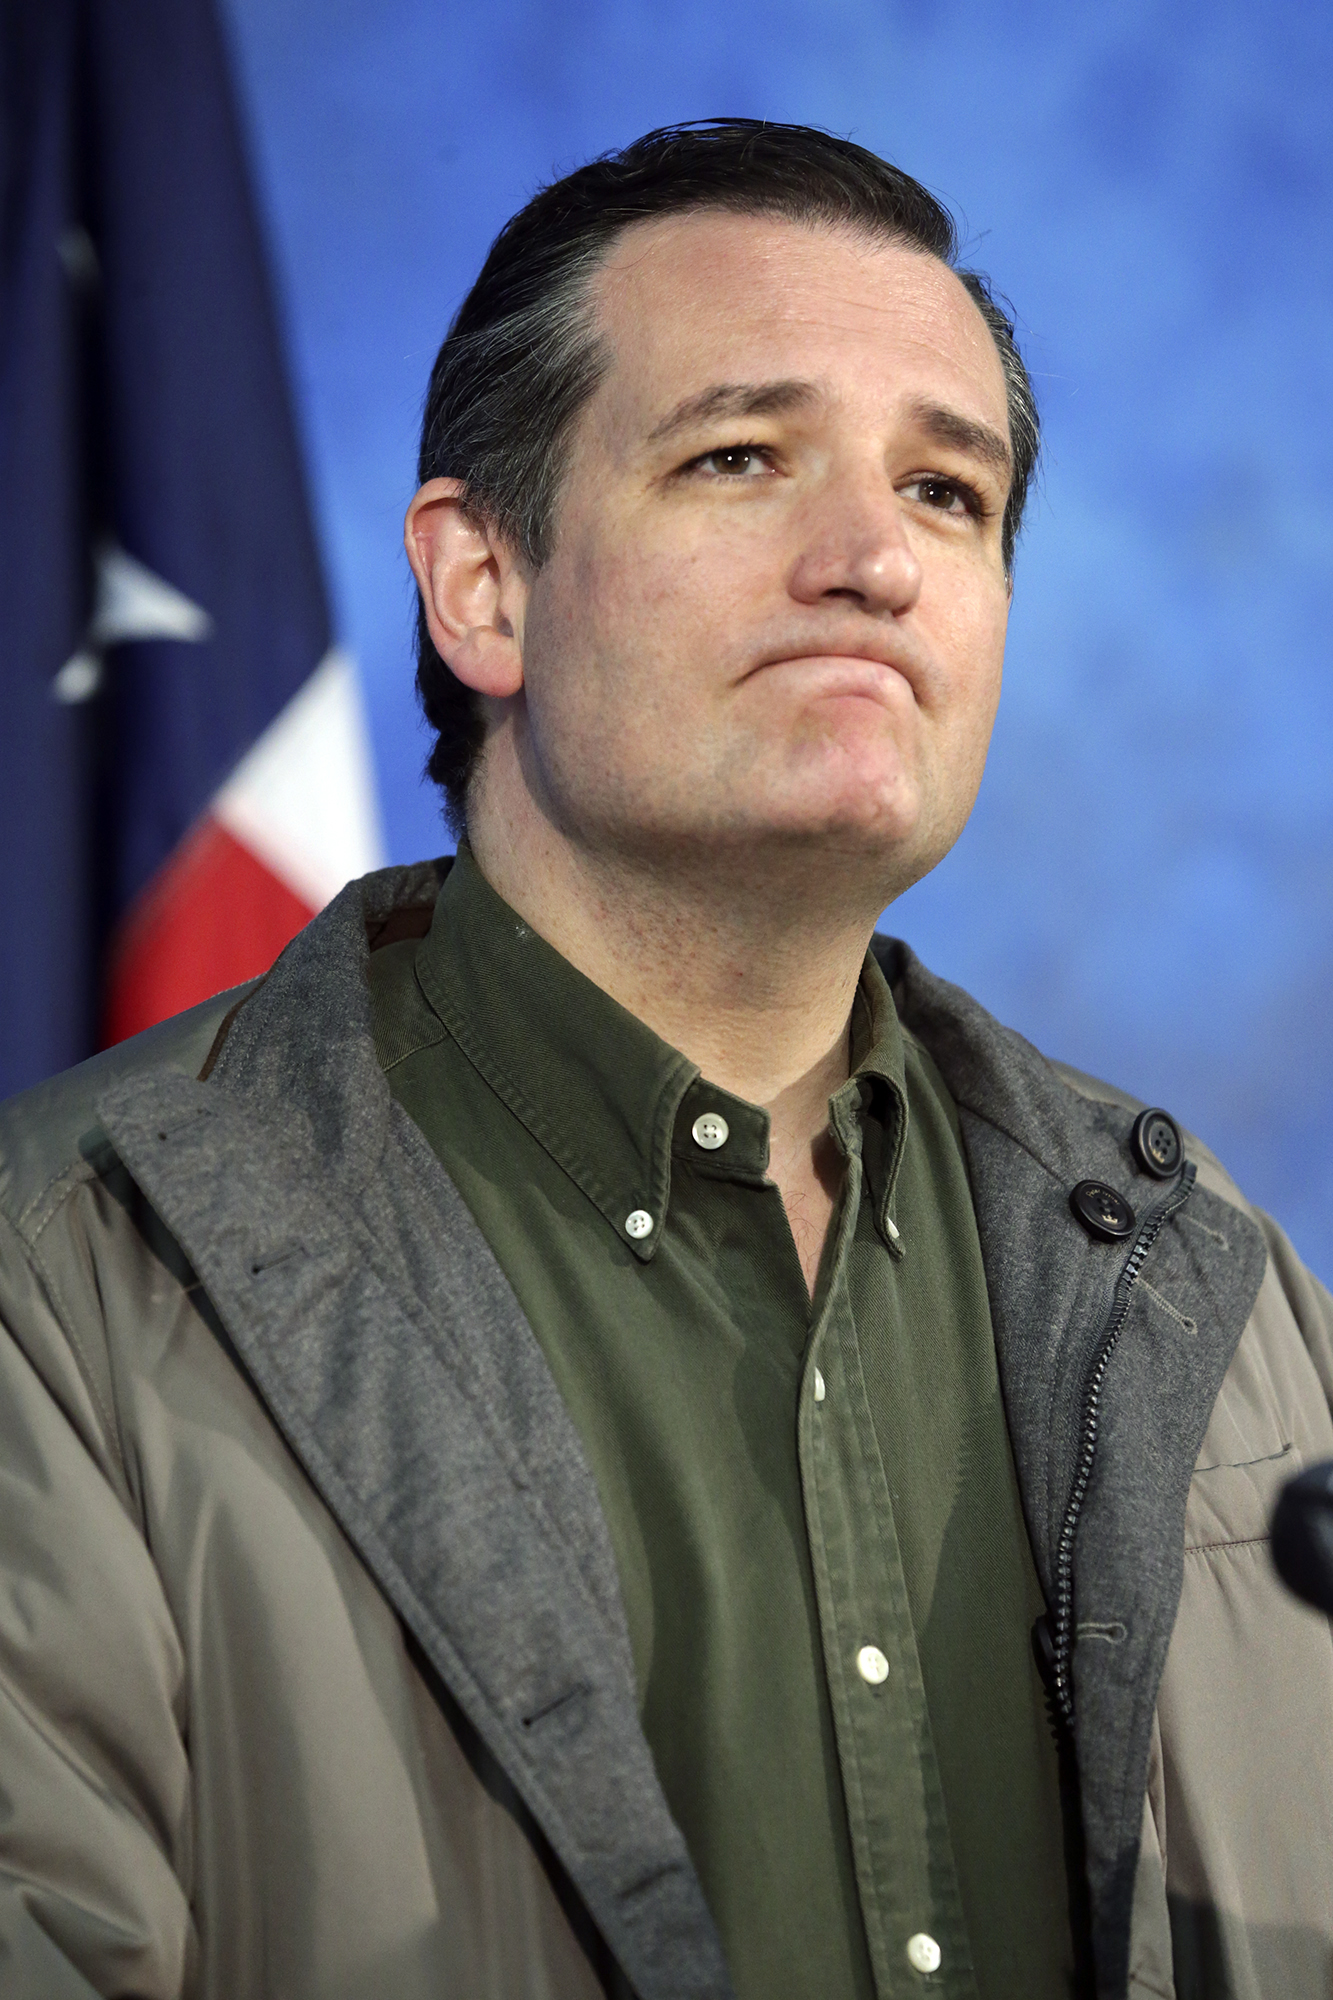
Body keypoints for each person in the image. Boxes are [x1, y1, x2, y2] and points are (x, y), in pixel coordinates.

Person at [0, 120, 1330, 2000]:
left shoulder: (1230, 1304)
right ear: (483, 590)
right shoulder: (57, 1292)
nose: (872, 556)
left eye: (949, 493)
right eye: (738, 459)